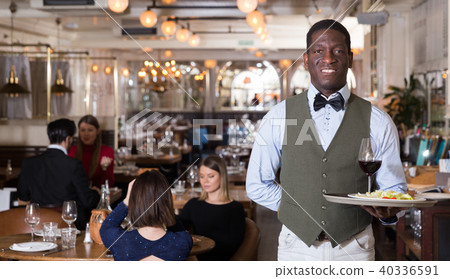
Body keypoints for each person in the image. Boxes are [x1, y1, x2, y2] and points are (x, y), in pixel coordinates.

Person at [246, 19, 406, 261]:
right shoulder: (278, 116)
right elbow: (257, 184)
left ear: (350, 59)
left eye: (338, 51)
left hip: (355, 247)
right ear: (307, 59)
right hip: (296, 247)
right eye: (318, 51)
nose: (329, 58)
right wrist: (295, 210)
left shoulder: (379, 120)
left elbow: (394, 188)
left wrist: (386, 212)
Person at [18, 118, 99, 230]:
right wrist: (96, 192)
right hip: (68, 226)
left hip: (38, 226)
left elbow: (23, 196)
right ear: (68, 139)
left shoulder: (29, 163)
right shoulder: (73, 165)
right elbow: (88, 201)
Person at [100, 170, 192, 261]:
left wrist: (127, 201)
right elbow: (179, 230)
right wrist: (164, 208)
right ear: (167, 202)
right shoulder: (182, 242)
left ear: (134, 204)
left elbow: (107, 227)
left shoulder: (120, 242)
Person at [179, 155, 246, 261]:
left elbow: (232, 245)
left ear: (222, 176)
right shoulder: (193, 204)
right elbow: (177, 228)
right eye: (202, 176)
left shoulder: (235, 208)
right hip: (193, 258)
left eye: (210, 176)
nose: (205, 181)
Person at [69, 115, 114, 188]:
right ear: (79, 131)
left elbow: (109, 185)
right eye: (83, 130)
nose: (86, 134)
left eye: (90, 130)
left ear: (98, 131)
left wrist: (104, 169)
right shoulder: (71, 151)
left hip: (97, 195)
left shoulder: (107, 151)